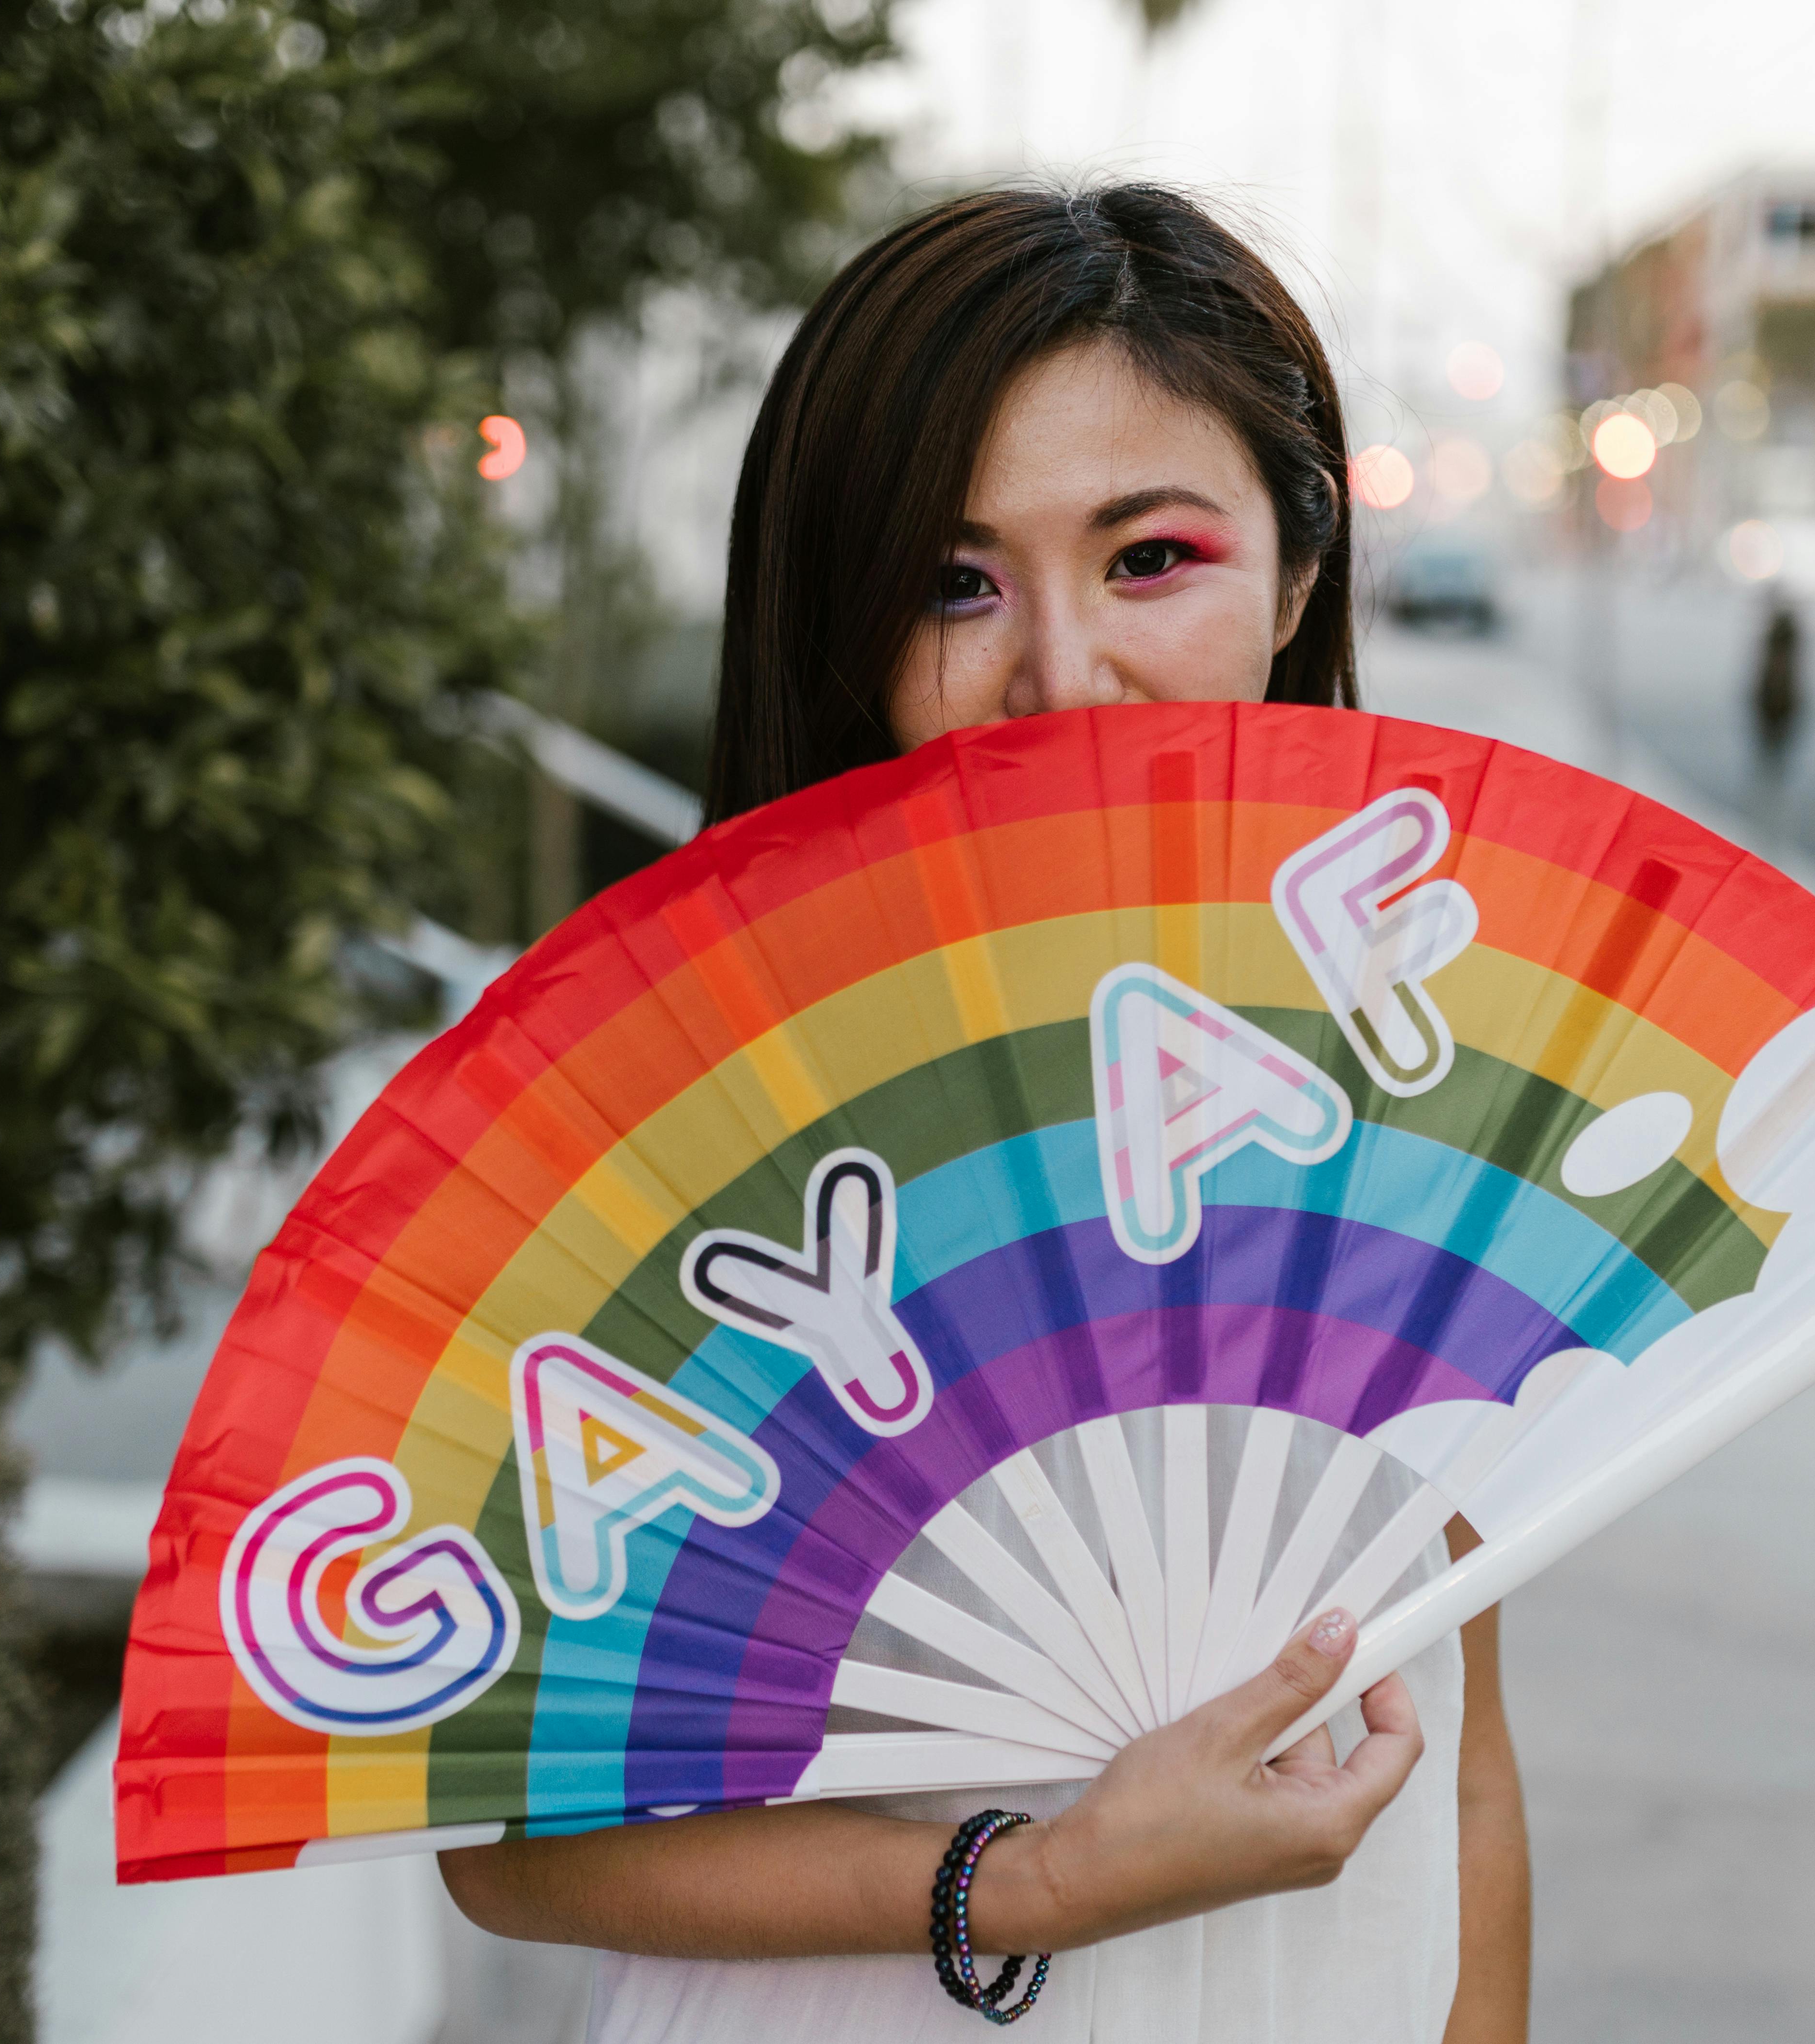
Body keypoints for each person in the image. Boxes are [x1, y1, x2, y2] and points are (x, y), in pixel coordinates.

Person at [440, 185, 1531, 2044]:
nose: (1058, 678)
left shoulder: (1417, 1080)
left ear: (1295, 575)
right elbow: (505, 1838)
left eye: (1150, 558)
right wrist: (1025, 1884)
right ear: (841, 624)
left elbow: (1468, 1767)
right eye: (955, 585)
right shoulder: (685, 1120)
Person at [1750, 590, 1803, 848]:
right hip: (1776, 707)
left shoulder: (1779, 640)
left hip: (1776, 707)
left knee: (1773, 762)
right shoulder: (1785, 640)